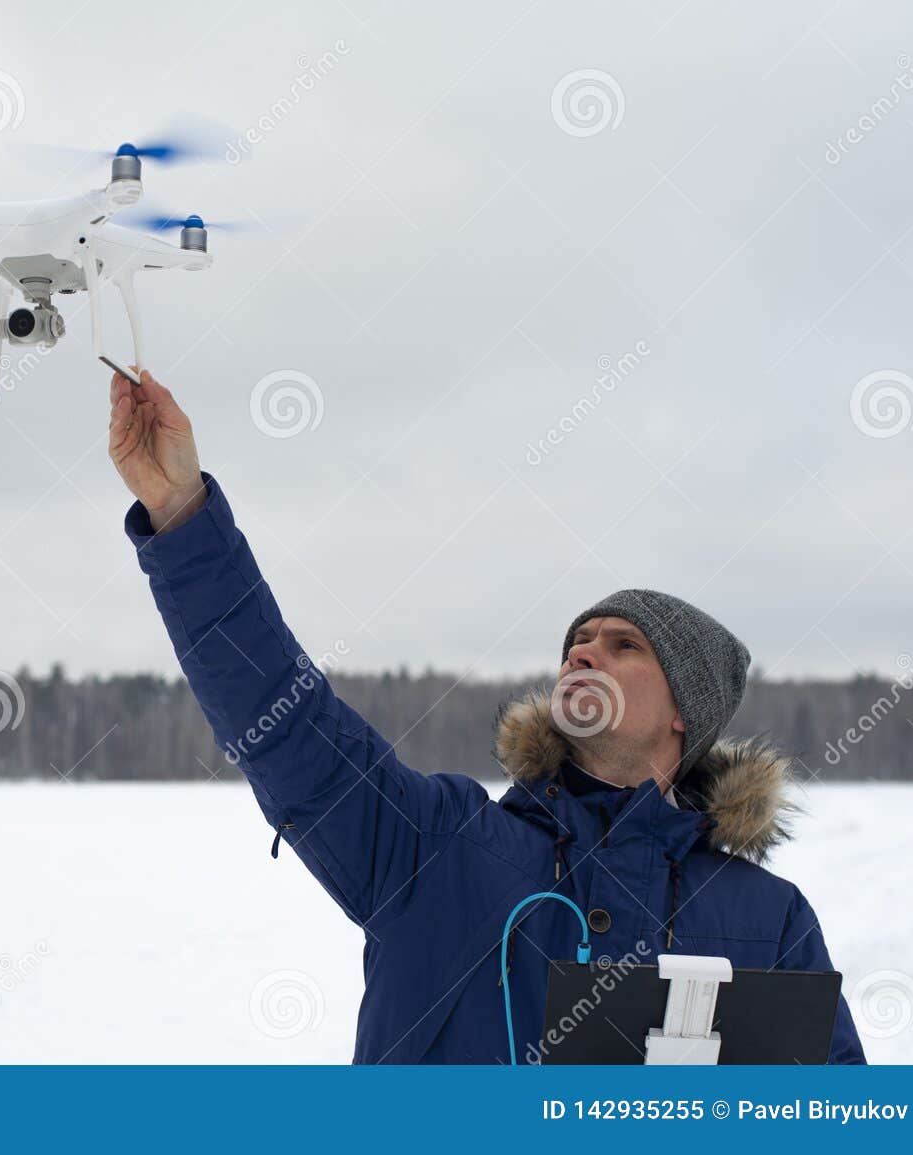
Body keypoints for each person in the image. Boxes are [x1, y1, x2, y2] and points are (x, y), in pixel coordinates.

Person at [107, 368, 865, 1065]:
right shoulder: (439, 846)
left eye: (623, 644)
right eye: (576, 643)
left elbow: (835, 1119)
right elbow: (283, 719)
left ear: (683, 716)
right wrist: (181, 516)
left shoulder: (770, 921)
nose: (583, 654)